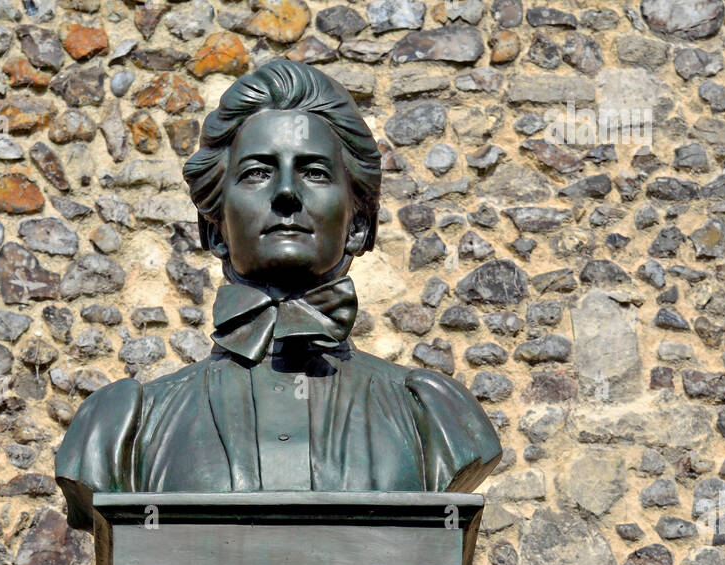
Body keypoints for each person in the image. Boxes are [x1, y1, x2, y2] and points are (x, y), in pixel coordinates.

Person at [54, 59, 502, 533]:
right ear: (214, 230)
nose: (286, 192)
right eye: (256, 173)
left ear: (358, 225)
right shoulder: (124, 427)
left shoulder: (434, 417)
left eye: (314, 172)